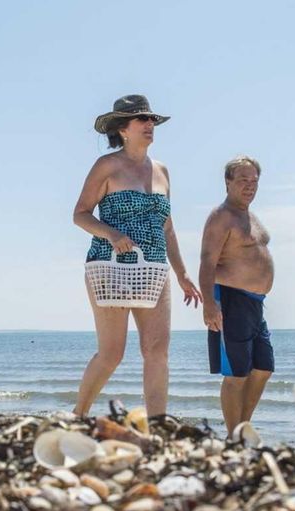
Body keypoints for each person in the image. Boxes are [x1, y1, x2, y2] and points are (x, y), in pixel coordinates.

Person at [72, 95, 203, 418]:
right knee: (112, 353)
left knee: (157, 351)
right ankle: (79, 414)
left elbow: (168, 228)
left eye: (151, 119)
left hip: (154, 269)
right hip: (110, 267)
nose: (149, 125)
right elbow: (80, 214)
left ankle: (158, 423)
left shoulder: (162, 171)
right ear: (122, 129)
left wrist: (183, 274)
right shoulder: (108, 165)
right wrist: (113, 234)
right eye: (141, 119)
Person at [198, 156, 275, 434]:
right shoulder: (222, 217)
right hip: (230, 300)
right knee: (236, 375)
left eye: (254, 180)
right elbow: (207, 261)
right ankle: (234, 435)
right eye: (243, 180)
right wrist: (209, 303)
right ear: (228, 182)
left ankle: (243, 429)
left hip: (255, 304)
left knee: (263, 368)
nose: (249, 186)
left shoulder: (250, 216)